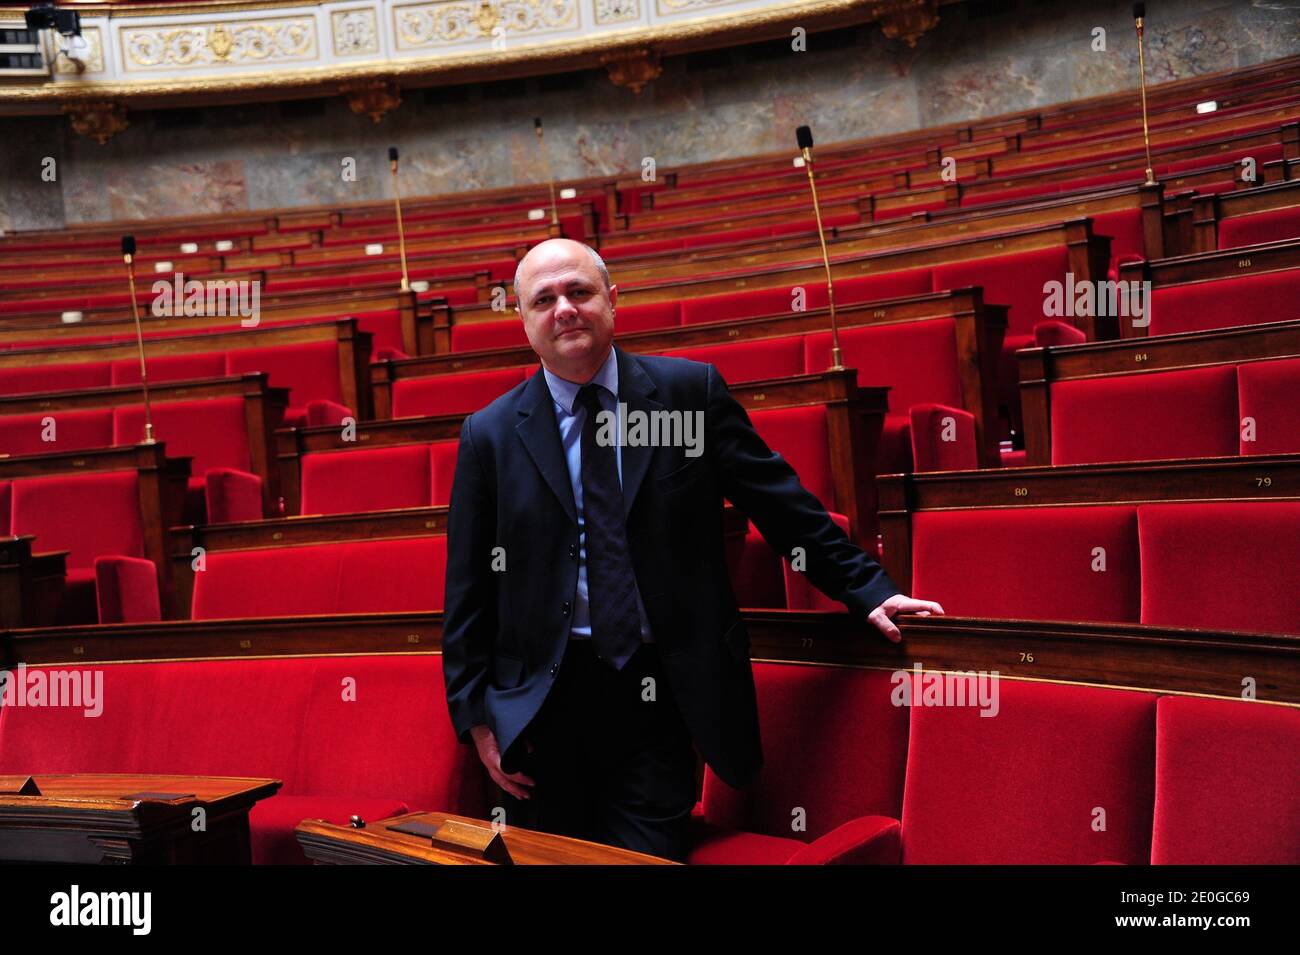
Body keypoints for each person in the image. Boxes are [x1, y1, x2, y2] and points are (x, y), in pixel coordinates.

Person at [442, 238, 943, 861]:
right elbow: (467, 587)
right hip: (544, 706)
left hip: (658, 691)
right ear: (523, 320)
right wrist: (476, 717)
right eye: (544, 299)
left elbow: (779, 506)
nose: (564, 309)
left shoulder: (687, 395)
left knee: (643, 858)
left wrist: (868, 588)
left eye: (579, 291)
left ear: (612, 301)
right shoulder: (490, 433)